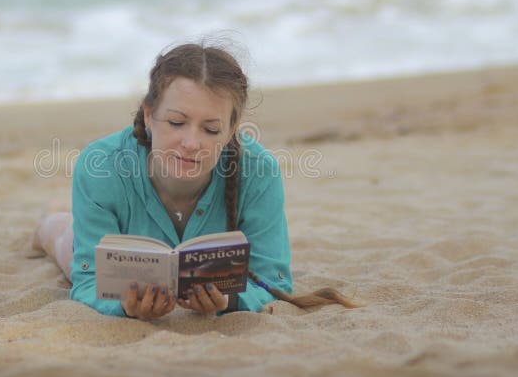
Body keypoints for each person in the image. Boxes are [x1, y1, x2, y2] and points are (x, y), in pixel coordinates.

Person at [32, 41, 356, 320]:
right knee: (61, 237)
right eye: (176, 122)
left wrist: (230, 301)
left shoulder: (259, 171)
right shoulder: (100, 165)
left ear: (231, 130)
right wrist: (126, 308)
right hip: (95, 233)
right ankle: (51, 216)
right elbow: (88, 282)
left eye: (211, 129)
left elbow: (274, 279)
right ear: (148, 115)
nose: (191, 143)